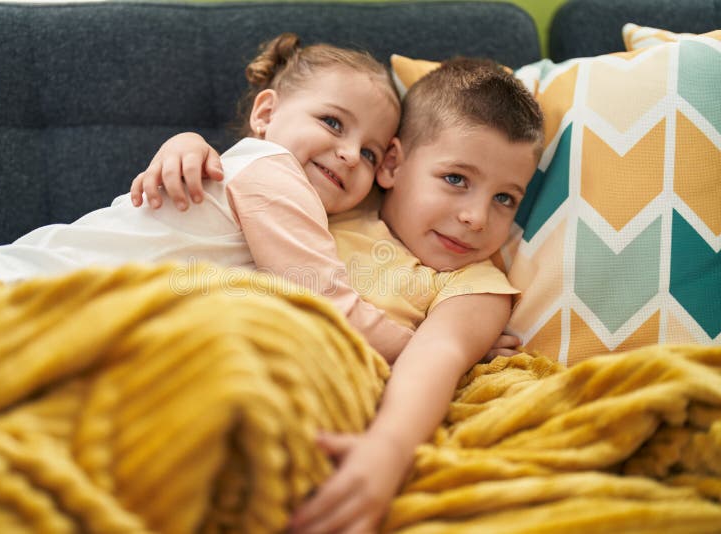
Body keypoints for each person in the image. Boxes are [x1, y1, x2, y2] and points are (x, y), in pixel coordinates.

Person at [129, 57, 544, 533]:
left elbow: (441, 353)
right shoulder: (338, 193)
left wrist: (389, 448)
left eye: (505, 199)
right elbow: (251, 171)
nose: (476, 217)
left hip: (300, 388)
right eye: (456, 179)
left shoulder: (475, 282)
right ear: (392, 164)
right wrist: (186, 143)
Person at [0, 33, 415, 361]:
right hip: (25, 289)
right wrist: (429, 348)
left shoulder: (254, 176)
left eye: (371, 154)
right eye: (333, 123)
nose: (351, 155)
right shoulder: (274, 175)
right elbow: (326, 302)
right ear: (267, 113)